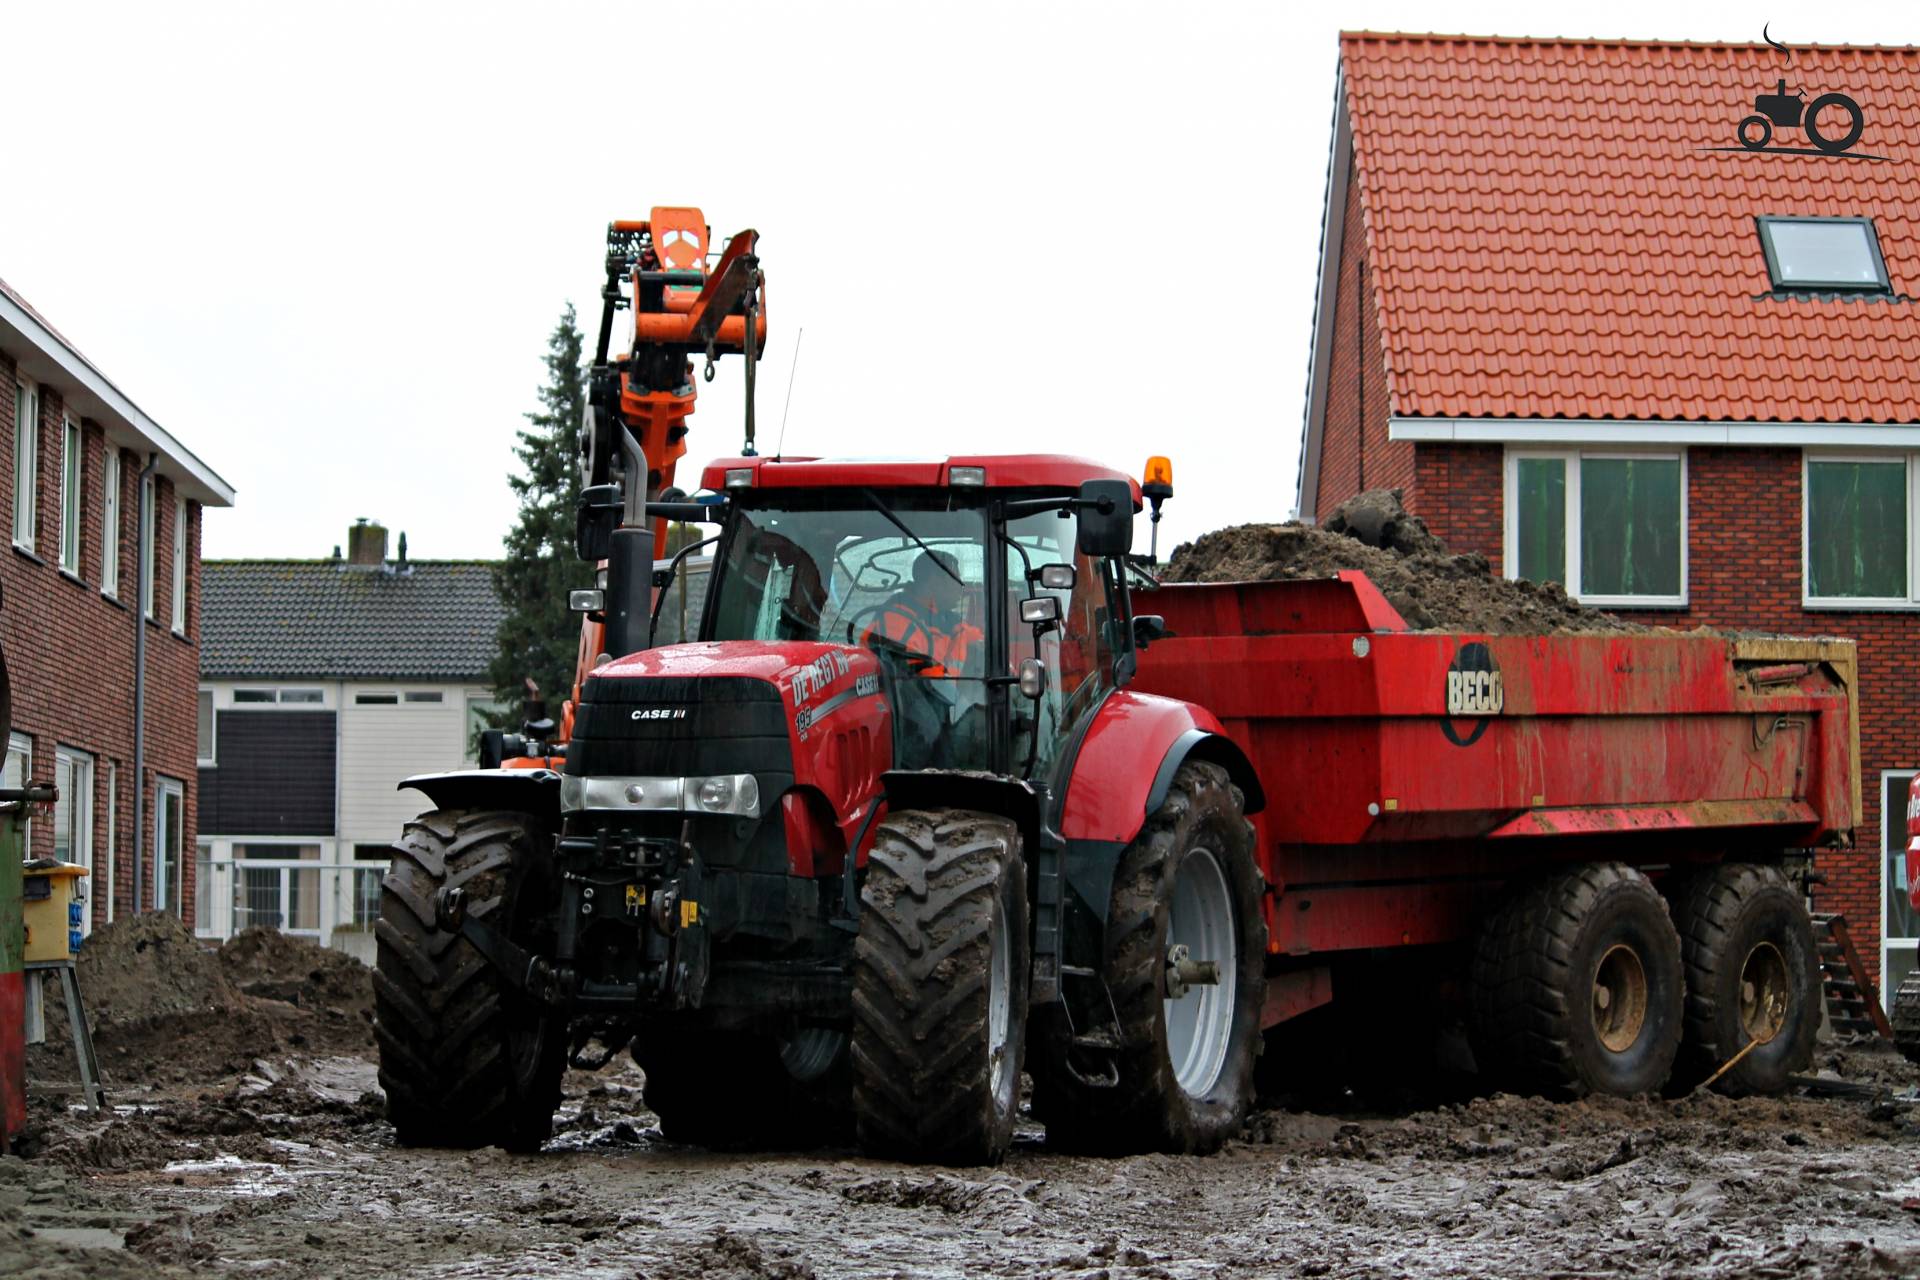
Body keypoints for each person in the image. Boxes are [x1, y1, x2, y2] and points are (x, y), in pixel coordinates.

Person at [865, 549, 983, 678]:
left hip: (946, 695)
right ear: (935, 582)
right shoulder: (896, 621)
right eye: (956, 579)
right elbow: (918, 684)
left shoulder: (944, 617)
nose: (961, 586)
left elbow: (976, 639)